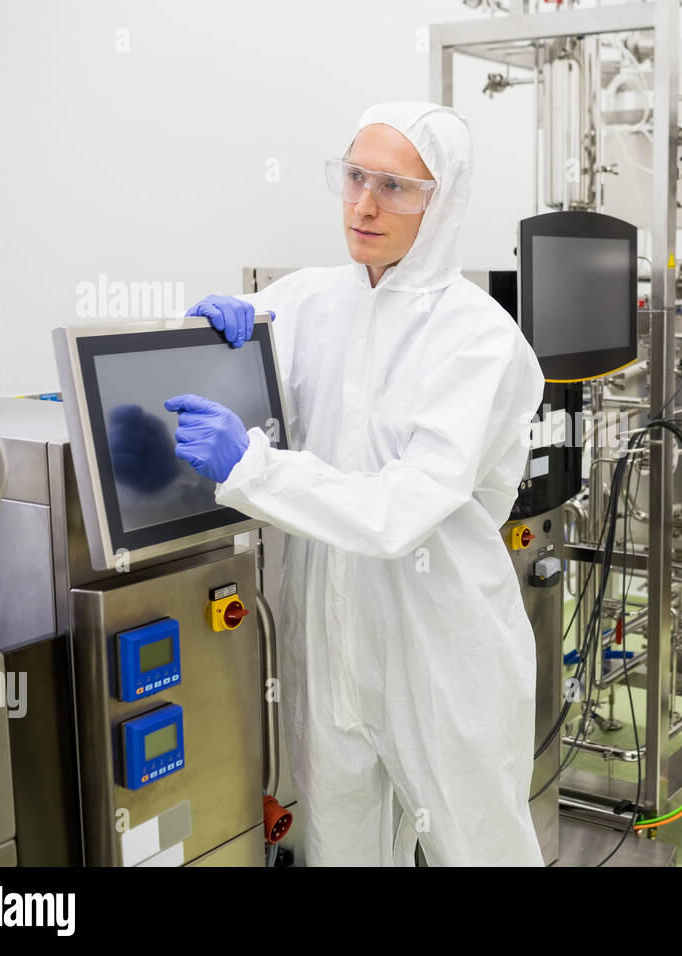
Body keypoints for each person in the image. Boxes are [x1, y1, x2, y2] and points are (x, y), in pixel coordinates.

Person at [166, 102, 546, 866]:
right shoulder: (307, 300)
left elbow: (399, 510)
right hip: (329, 650)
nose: (365, 205)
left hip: (439, 652)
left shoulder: (478, 339)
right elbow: (247, 363)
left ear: (444, 204)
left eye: (398, 187)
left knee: (478, 851)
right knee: (340, 847)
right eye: (355, 177)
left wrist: (252, 467)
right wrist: (217, 334)